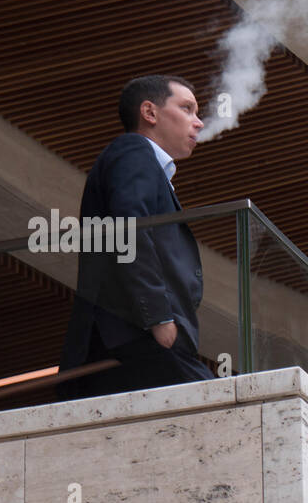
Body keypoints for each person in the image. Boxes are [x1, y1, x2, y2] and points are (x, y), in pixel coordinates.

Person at [57, 75, 214, 400]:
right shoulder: (134, 151)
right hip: (133, 334)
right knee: (224, 407)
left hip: (127, 337)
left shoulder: (140, 161)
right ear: (150, 112)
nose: (198, 123)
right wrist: (158, 317)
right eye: (187, 109)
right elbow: (129, 230)